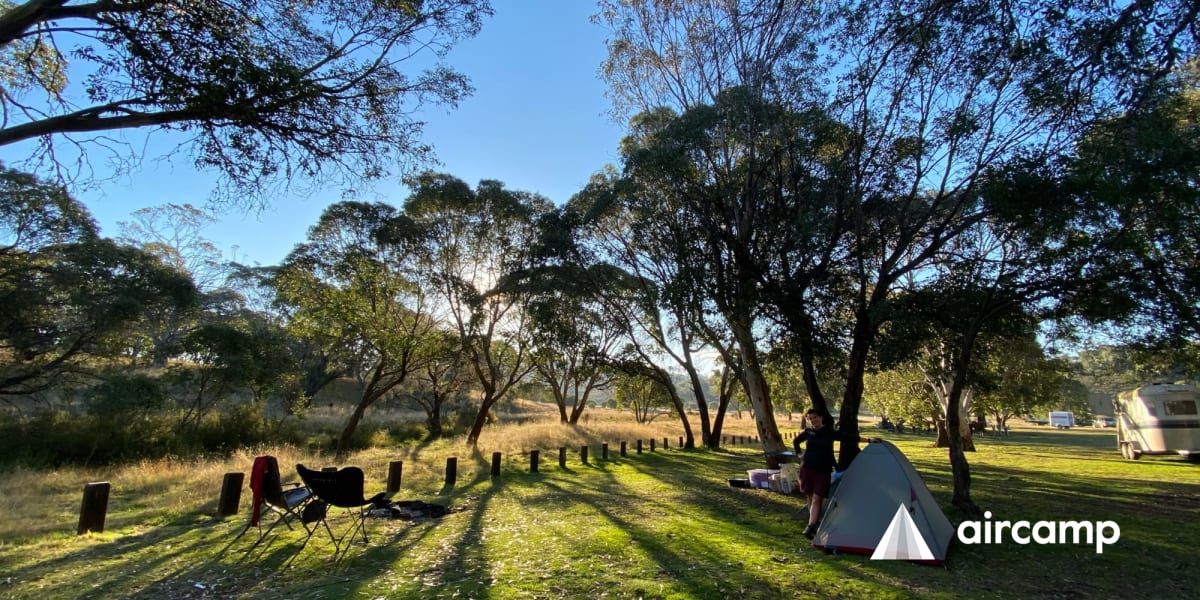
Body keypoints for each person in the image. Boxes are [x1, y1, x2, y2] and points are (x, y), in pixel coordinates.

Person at [793, 409, 882, 539]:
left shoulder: (829, 432)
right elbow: (796, 442)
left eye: (815, 417)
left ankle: (810, 526)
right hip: (807, 468)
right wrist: (799, 454)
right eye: (810, 418)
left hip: (823, 469)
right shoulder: (808, 432)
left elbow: (848, 438)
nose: (813, 420)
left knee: (818, 498)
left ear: (821, 417)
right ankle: (813, 523)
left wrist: (868, 440)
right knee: (810, 495)